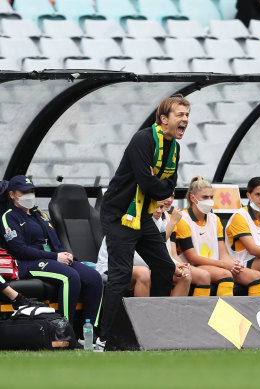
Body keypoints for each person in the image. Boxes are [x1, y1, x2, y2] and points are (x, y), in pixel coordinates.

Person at [98, 95, 188, 350]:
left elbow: (169, 188)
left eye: (187, 116)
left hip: (142, 215)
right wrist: (159, 186)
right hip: (120, 214)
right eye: (180, 115)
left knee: (163, 266)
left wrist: (157, 185)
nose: (185, 120)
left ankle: (154, 331)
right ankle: (104, 338)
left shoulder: (175, 148)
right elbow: (152, 185)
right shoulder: (143, 139)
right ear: (163, 119)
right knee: (121, 275)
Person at [2, 175, 103, 325]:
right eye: (24, 192)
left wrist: (65, 254)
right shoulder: (9, 217)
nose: (29, 195)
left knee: (94, 278)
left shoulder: (40, 215)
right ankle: (64, 328)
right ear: (12, 195)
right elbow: (20, 250)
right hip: (29, 263)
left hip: (51, 258)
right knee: (70, 277)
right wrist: (55, 256)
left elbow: (55, 242)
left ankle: (91, 331)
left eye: (31, 191)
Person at [174, 176, 260, 297]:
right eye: (205, 197)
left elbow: (223, 253)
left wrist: (232, 263)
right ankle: (222, 314)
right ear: (192, 198)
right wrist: (224, 265)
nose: (210, 200)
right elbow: (192, 258)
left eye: (211, 197)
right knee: (225, 275)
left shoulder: (215, 219)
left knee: (256, 276)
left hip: (217, 265)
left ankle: (256, 314)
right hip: (195, 266)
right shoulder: (183, 219)